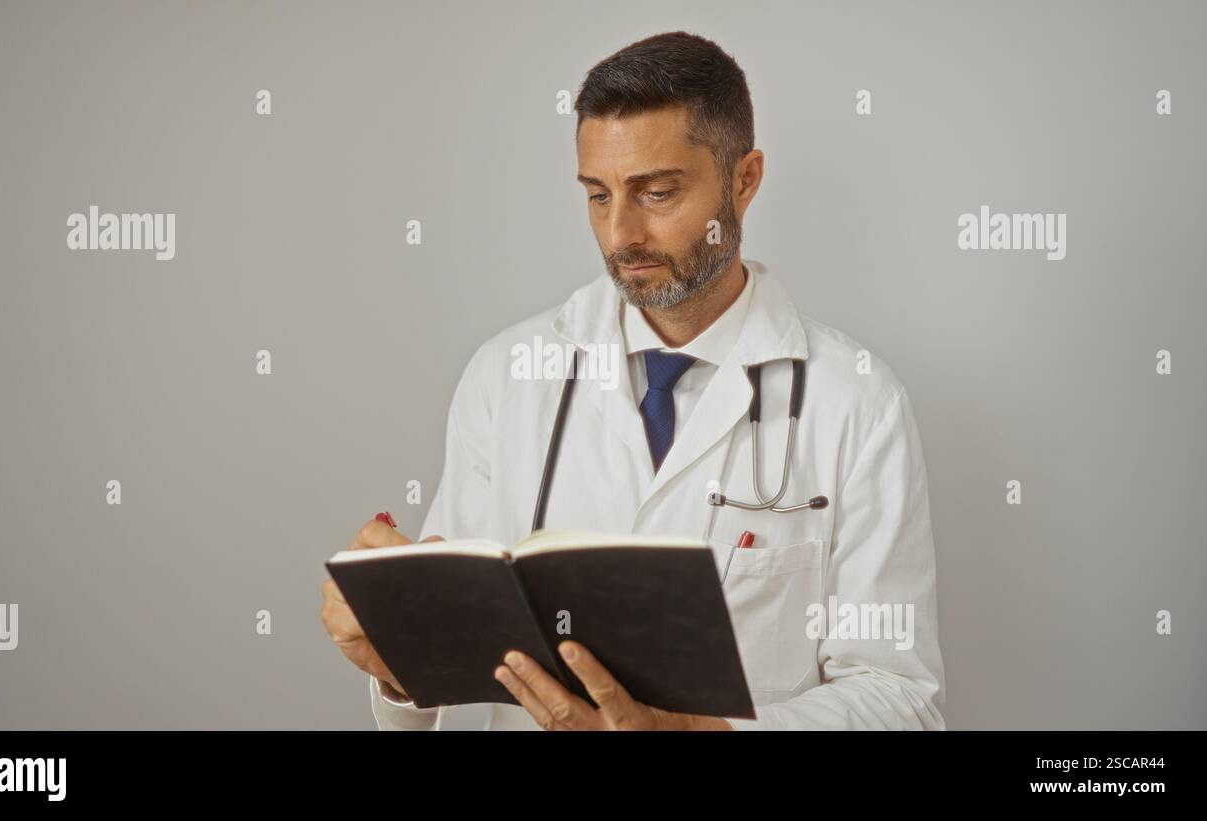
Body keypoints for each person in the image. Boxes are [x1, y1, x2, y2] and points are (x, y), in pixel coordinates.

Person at [321, 31, 945, 730]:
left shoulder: (856, 402)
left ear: (745, 178)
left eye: (656, 193)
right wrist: (398, 663)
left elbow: (901, 699)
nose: (619, 234)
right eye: (597, 195)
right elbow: (455, 671)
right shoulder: (506, 376)